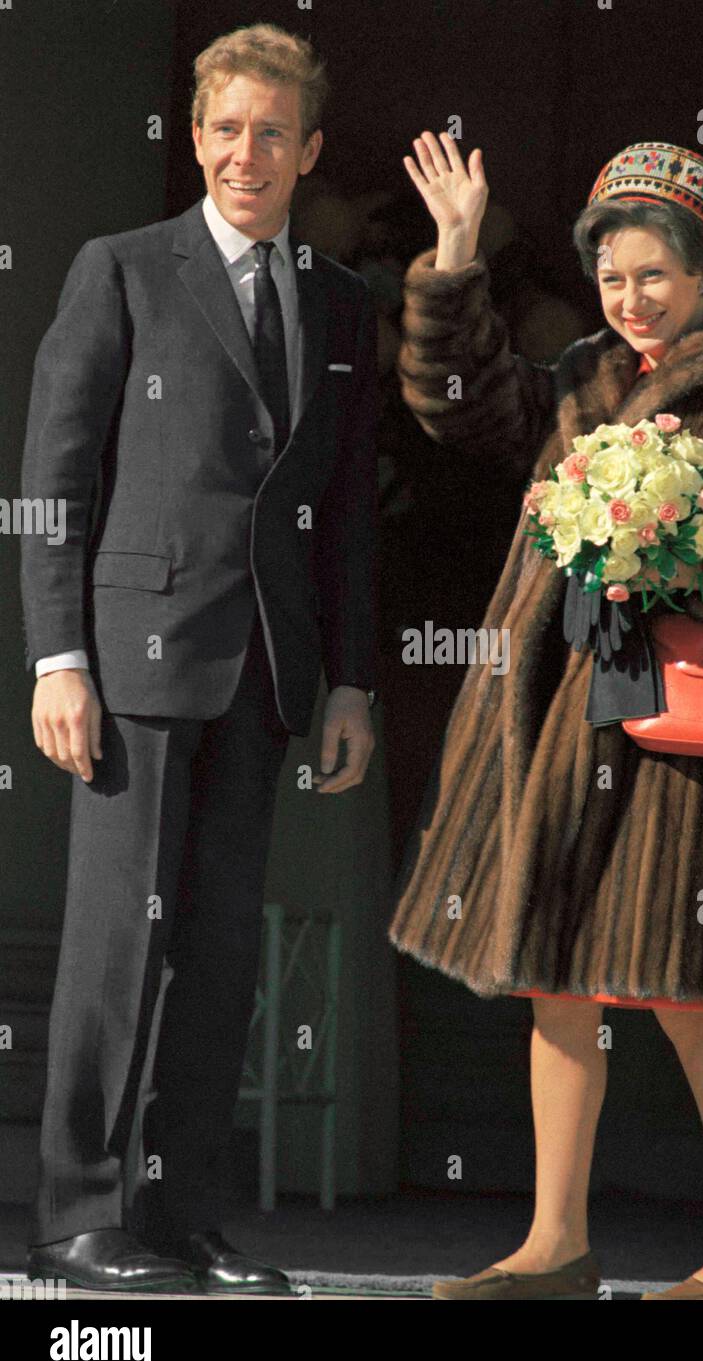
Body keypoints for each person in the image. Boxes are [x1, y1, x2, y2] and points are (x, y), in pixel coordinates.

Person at [390, 134, 703, 1300]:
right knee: (556, 984)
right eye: (612, 277)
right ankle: (555, 1245)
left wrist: (686, 559)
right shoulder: (578, 381)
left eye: (653, 273)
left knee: (687, 996)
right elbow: (460, 411)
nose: (630, 297)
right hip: (562, 727)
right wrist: (453, 256)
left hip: (687, 745)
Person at [20, 23, 378, 1294]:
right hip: (133, 666)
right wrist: (59, 655)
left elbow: (342, 512)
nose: (246, 152)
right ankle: (78, 1220)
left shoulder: (339, 302)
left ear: (309, 148)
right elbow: (57, 479)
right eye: (225, 128)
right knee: (119, 943)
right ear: (194, 133)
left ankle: (178, 1219)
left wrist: (348, 679)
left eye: (272, 132)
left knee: (219, 953)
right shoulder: (120, 269)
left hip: (266, 677)